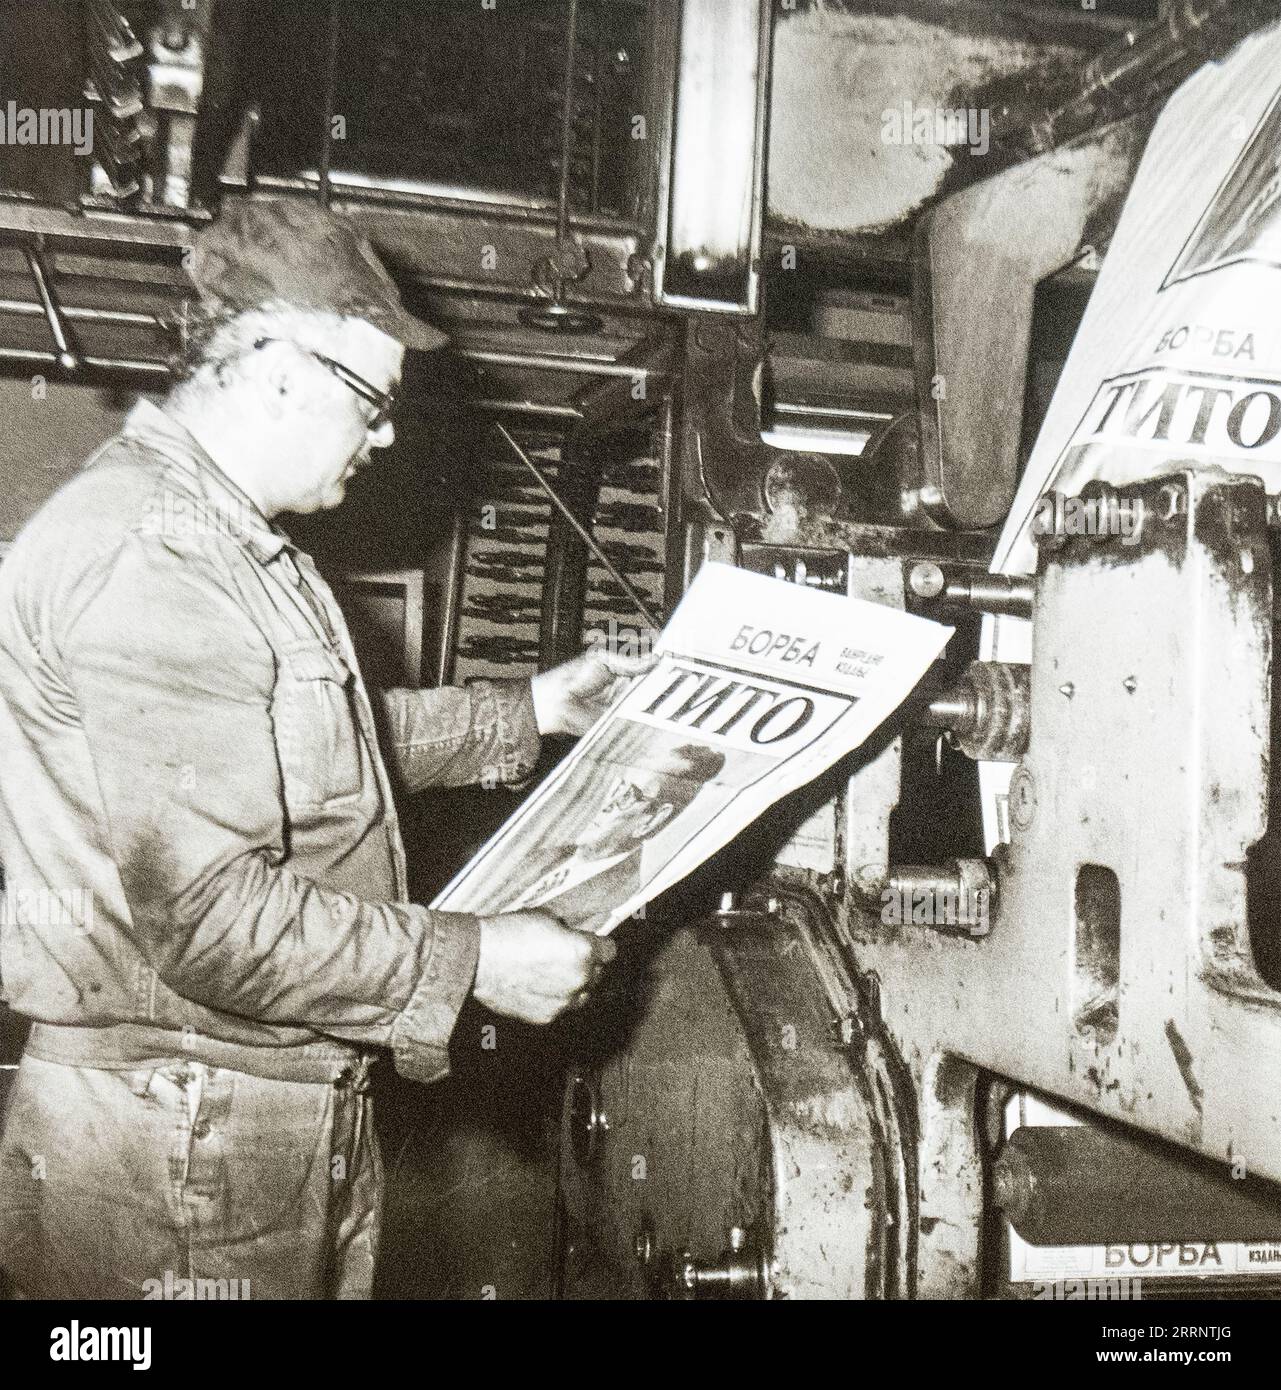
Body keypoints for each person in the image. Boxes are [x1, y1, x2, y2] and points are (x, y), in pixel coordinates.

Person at [0, 198, 648, 1299]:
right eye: (372, 400)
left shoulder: (226, 541)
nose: (386, 432)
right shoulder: (157, 555)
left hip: (227, 1116)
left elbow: (309, 746)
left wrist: (529, 710)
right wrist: (477, 960)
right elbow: (210, 921)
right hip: (189, 1138)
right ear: (272, 365)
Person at [503, 742, 725, 929]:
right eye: (618, 785)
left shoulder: (621, 903)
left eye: (629, 795)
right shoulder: (543, 855)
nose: (608, 802)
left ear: (650, 821)